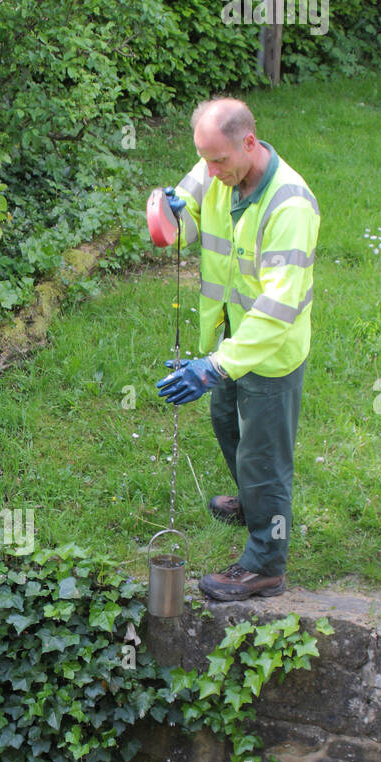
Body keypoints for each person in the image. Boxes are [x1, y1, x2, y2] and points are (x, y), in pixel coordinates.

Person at [152, 96, 320, 601]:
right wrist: (169, 212)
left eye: (218, 160)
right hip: (229, 339)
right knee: (227, 423)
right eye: (203, 159)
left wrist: (213, 366)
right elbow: (182, 217)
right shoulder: (215, 168)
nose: (208, 171)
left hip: (269, 351)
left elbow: (276, 310)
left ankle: (266, 563)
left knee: (265, 459)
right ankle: (253, 503)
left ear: (249, 142)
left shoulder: (290, 206)